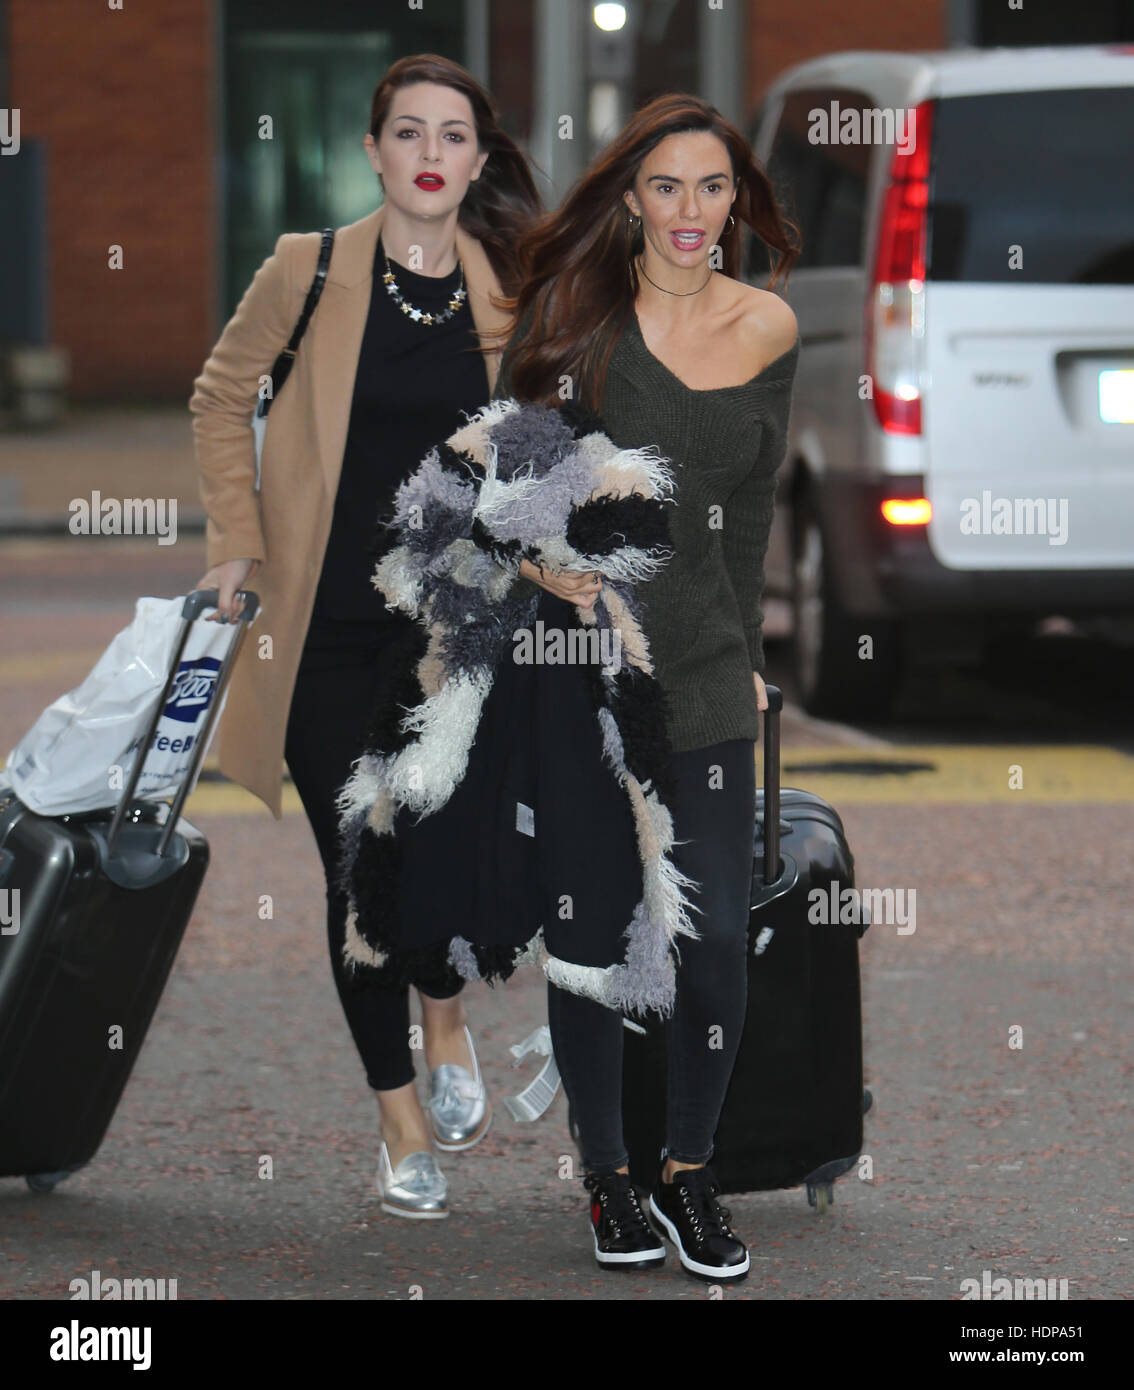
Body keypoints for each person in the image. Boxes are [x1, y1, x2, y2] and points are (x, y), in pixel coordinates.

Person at [189, 54, 541, 1219]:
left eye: (452, 135)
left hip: (447, 635)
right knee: (360, 872)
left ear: (478, 161)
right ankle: (397, 1119)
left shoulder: (504, 296)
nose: (430, 152)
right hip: (319, 633)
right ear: (376, 151)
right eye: (407, 131)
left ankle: (444, 1010)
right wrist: (235, 540)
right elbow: (217, 392)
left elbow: (535, 446)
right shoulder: (311, 269)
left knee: (437, 853)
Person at [493, 93, 799, 1280]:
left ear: (735, 201)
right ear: (629, 198)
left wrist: (756, 658)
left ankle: (688, 1169)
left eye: (712, 187)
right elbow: (505, 484)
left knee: (713, 935)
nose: (690, 211)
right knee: (589, 932)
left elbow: (757, 507)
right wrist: (540, 564)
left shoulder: (768, 327)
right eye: (665, 187)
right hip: (580, 668)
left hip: (707, 667)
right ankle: (607, 1176)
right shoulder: (579, 321)